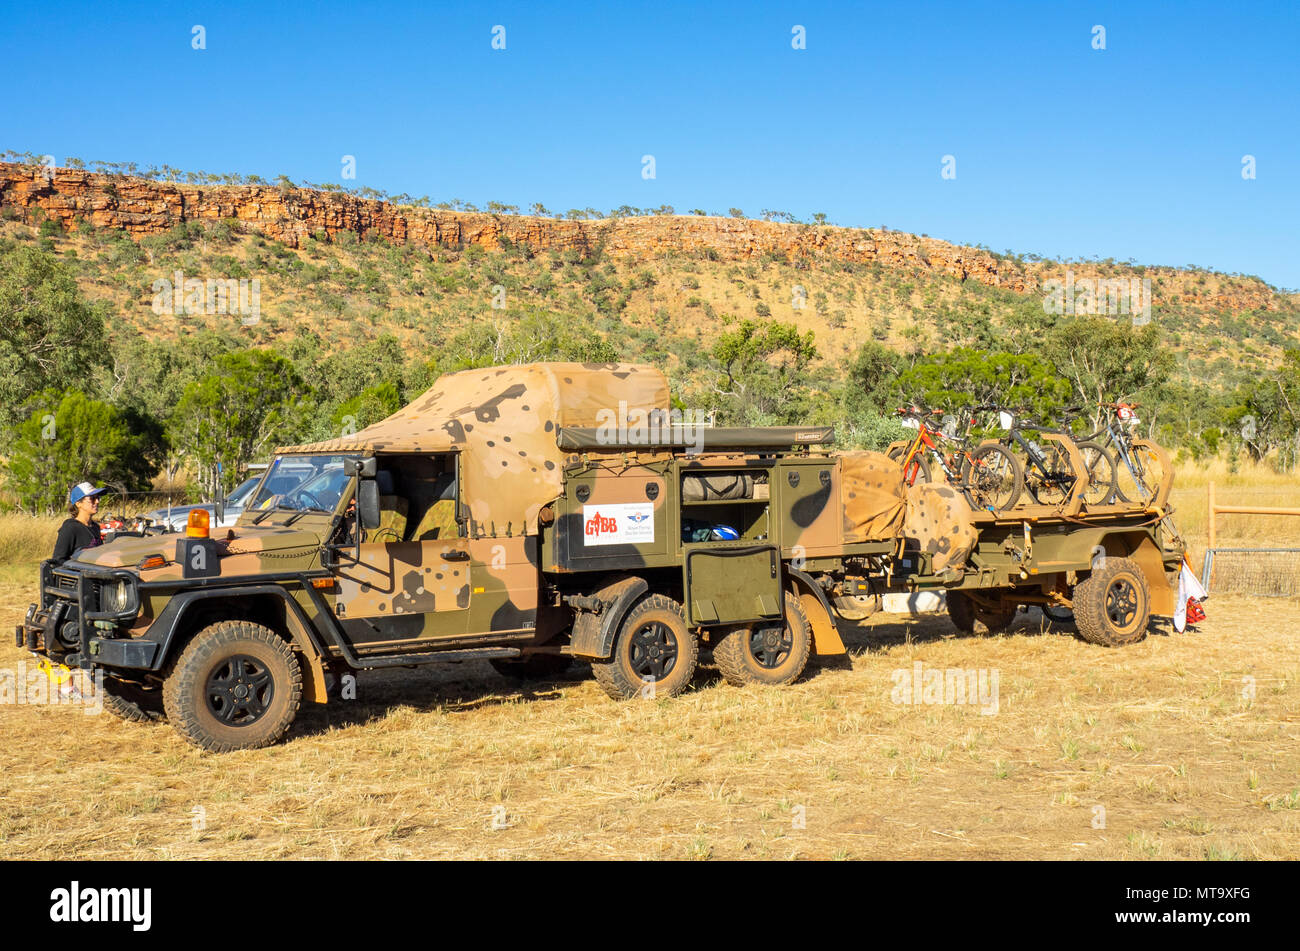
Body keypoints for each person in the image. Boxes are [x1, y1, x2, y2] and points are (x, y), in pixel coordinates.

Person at [53, 482, 108, 563]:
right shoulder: (70, 528)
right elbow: (58, 561)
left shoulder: (95, 527)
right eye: (92, 498)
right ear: (78, 504)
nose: (97, 502)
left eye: (98, 498)